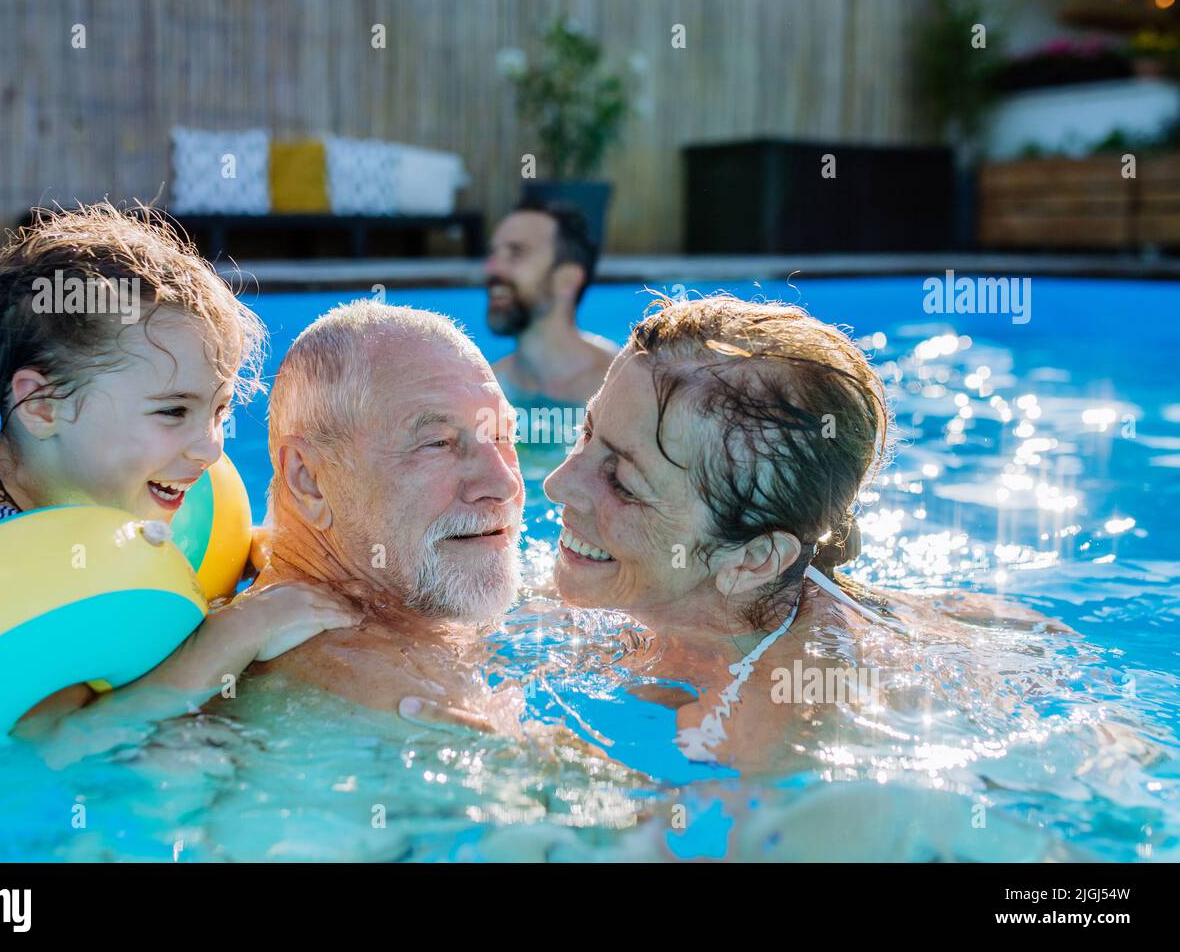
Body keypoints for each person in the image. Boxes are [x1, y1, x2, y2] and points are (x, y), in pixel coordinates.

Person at [541, 292, 1072, 775]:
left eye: (624, 482)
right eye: (588, 433)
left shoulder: (782, 731)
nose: (557, 483)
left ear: (752, 560)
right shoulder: (673, 591)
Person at [0, 203, 357, 724]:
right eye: (173, 410)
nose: (210, 448)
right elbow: (62, 743)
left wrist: (278, 561)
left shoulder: (98, 492)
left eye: (219, 409)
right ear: (44, 406)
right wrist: (237, 632)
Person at [240, 300, 529, 732]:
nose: (503, 483)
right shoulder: (378, 694)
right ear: (308, 478)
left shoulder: (397, 588)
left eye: (503, 435)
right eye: (438, 443)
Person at [483, 198, 618, 405]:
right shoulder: (486, 390)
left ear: (567, 279)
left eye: (516, 252)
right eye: (493, 253)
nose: (492, 269)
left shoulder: (621, 385)